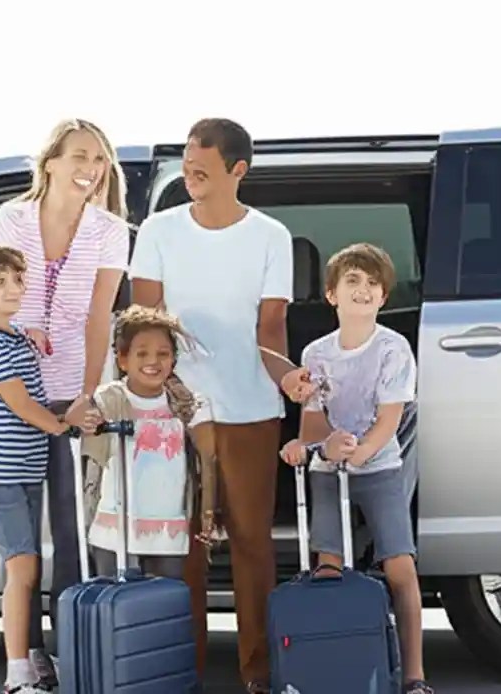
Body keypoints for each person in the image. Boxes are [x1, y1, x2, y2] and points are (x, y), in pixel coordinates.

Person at [128, 118, 310, 692]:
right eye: (186, 166)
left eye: (202, 168)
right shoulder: (158, 231)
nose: (190, 176)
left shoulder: (270, 236)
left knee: (253, 541)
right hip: (175, 415)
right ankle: (185, 670)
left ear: (238, 171)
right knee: (182, 547)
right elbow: (145, 324)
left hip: (251, 409)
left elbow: (272, 326)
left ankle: (258, 672)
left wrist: (288, 382)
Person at [0, 118, 132, 680]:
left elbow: (99, 317)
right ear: (50, 163)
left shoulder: (110, 230)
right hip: (20, 396)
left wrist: (87, 395)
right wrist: (18, 339)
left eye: (99, 159)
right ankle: (28, 655)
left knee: (73, 530)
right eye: (79, 156)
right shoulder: (11, 221)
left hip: (73, 393)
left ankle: (72, 652)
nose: (90, 168)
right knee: (24, 546)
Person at [0, 243, 100, 694]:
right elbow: (22, 405)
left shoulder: (12, 337)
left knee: (27, 564)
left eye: (17, 279)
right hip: (0, 474)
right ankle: (16, 673)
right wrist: (65, 423)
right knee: (23, 568)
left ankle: (32, 659)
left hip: (23, 470)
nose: (13, 288)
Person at [280, 242, 433, 694]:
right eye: (352, 282)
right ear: (332, 294)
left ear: (383, 297)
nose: (362, 291)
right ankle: (336, 669)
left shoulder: (393, 349)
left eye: (372, 284)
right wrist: (317, 446)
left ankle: (414, 675)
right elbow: (312, 419)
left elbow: (390, 419)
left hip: (378, 465)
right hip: (330, 469)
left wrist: (359, 452)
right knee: (330, 565)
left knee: (399, 564)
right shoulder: (316, 354)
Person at [79, 305, 222, 578]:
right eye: (141, 353)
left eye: (163, 354)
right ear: (122, 360)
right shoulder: (109, 399)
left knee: (162, 605)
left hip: (168, 529)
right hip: (114, 528)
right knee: (118, 603)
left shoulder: (189, 404)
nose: (153, 361)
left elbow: (207, 461)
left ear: (174, 360)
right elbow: (91, 449)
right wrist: (90, 422)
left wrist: (206, 515)